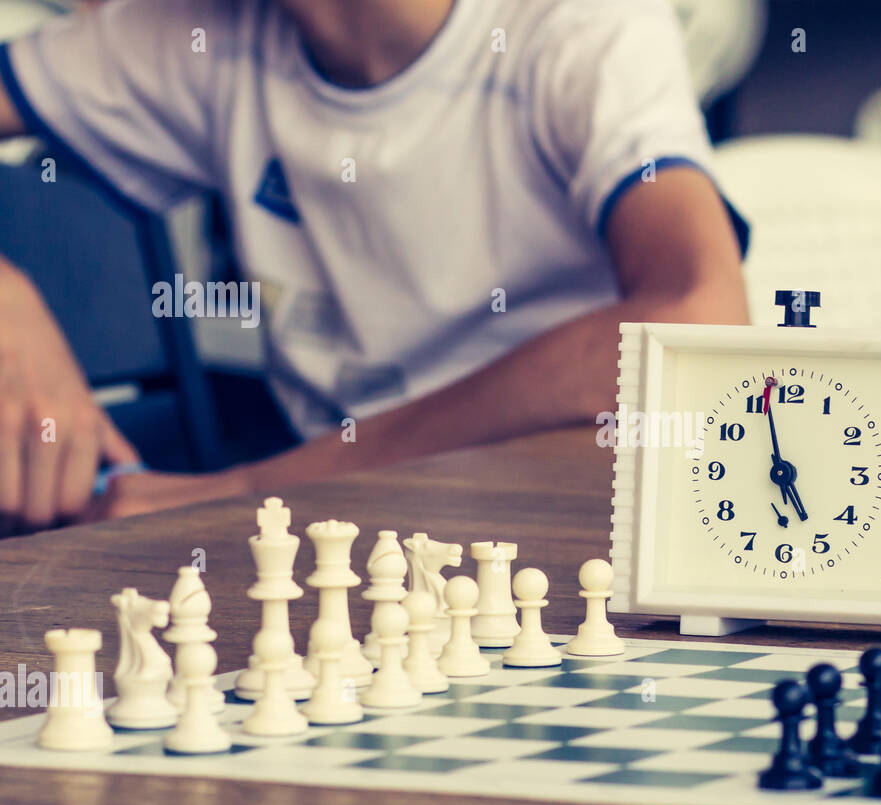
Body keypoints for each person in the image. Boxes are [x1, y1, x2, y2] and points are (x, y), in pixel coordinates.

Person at [0, 0, 750, 532]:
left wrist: (252, 488)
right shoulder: (192, 31)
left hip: (564, 542)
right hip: (332, 551)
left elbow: (696, 318)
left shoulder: (585, 26)